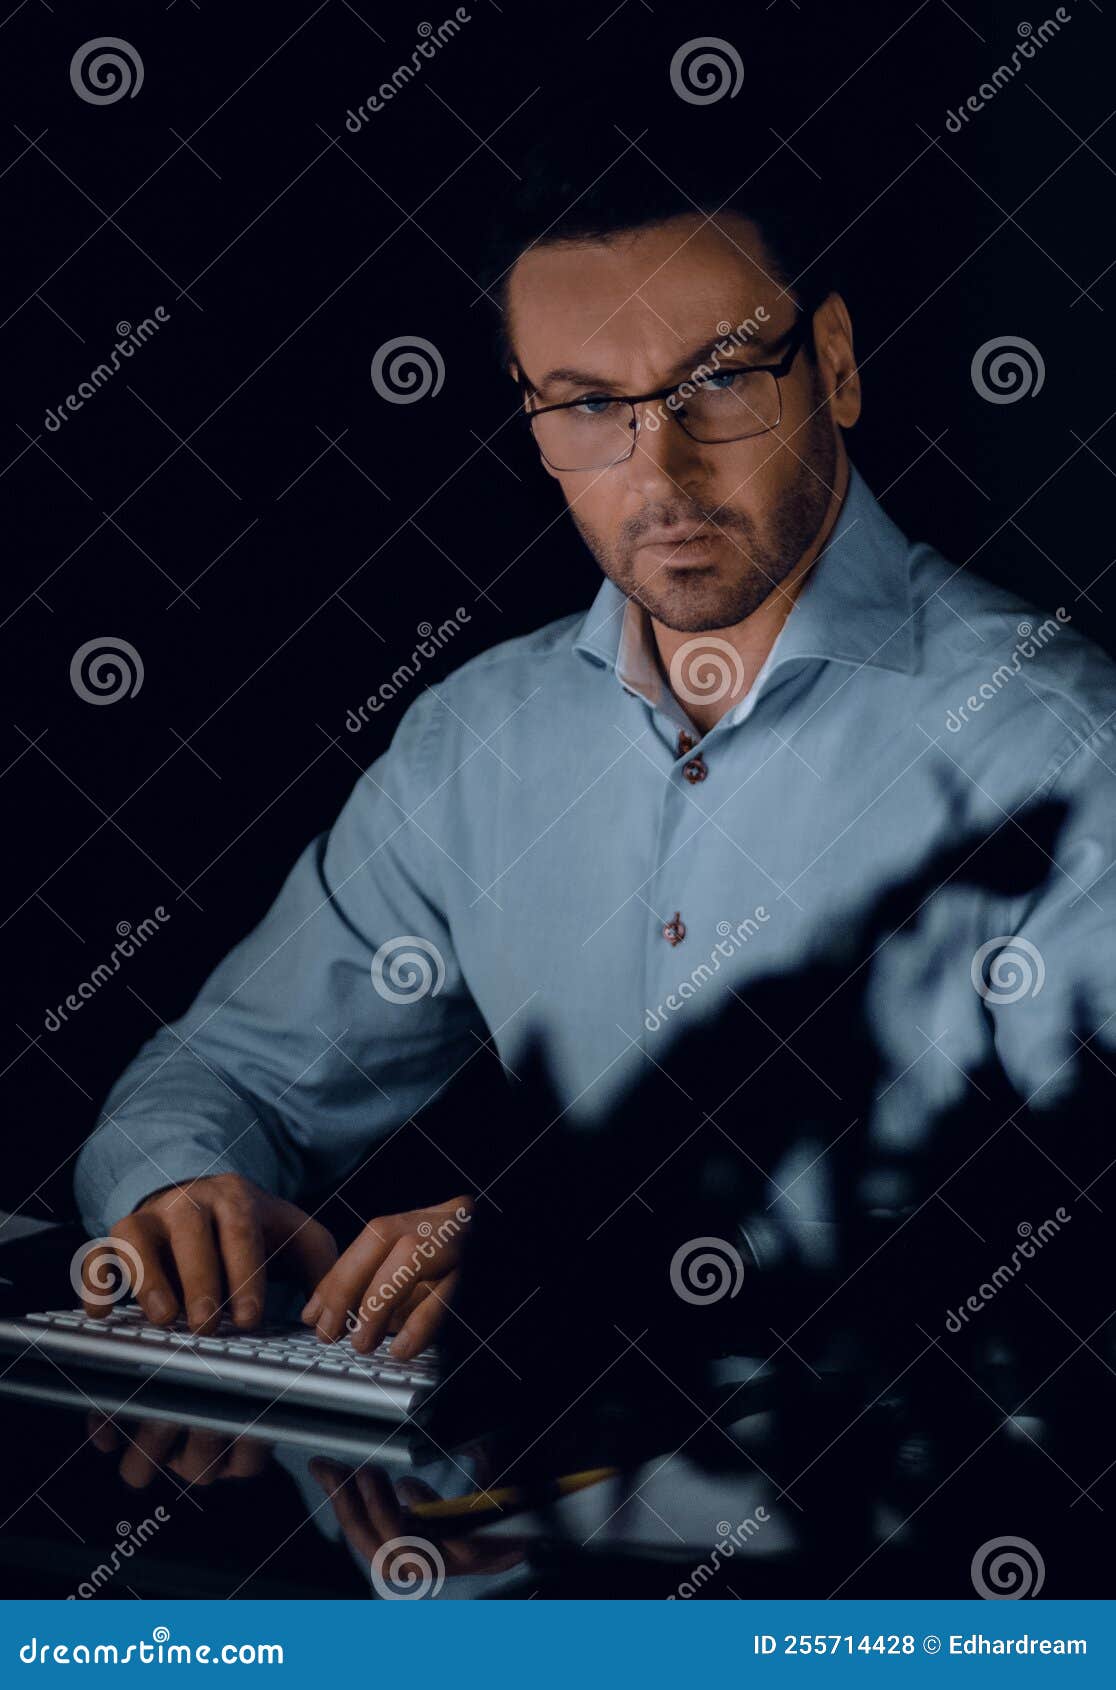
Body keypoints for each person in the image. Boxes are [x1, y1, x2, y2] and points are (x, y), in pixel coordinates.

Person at [74, 147, 1116, 1362]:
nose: (657, 470)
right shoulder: (477, 743)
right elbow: (232, 1070)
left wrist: (594, 1259)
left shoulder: (1053, 745)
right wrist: (179, 1190)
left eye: (718, 381)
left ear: (832, 362)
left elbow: (1074, 1222)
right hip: (528, 1524)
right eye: (586, 406)